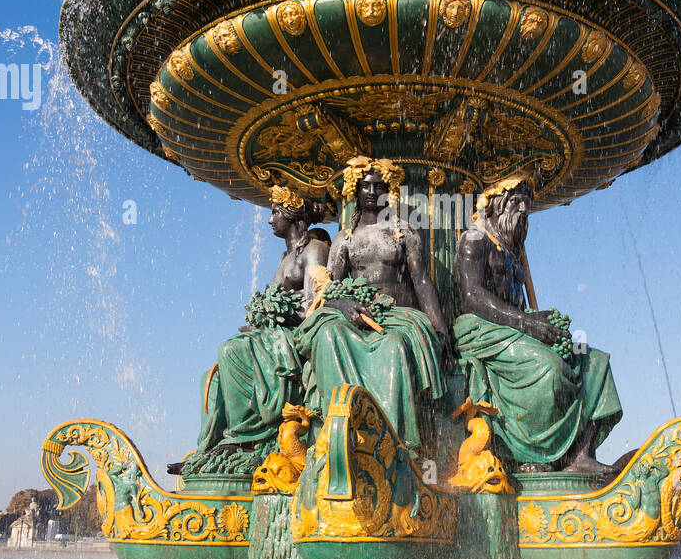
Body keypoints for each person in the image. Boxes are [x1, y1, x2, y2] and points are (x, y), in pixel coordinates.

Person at [453, 175, 622, 473]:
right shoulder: (475, 239)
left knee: (595, 362)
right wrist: (527, 324)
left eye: (527, 207)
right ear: (495, 206)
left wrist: (537, 321)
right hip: (481, 329)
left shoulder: (513, 255)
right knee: (550, 368)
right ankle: (531, 455)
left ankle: (578, 456)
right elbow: (471, 297)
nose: (522, 211)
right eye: (515, 203)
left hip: (514, 328)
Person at [295, 156, 449, 453]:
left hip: (395, 314)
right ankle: (339, 430)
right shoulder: (343, 239)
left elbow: (422, 283)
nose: (371, 191)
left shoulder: (404, 233)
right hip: (351, 314)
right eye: (365, 185)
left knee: (393, 347)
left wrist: (439, 326)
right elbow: (329, 289)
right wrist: (342, 305)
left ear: (388, 191)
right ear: (355, 189)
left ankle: (393, 441)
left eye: (379, 186)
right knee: (328, 336)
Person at [180, 186, 332, 476]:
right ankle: (217, 443)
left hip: (299, 333)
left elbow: (315, 304)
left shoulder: (314, 250)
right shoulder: (285, 257)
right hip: (277, 332)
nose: (270, 219)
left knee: (231, 349)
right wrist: (263, 319)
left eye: (275, 212)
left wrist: (276, 317)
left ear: (293, 213)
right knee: (211, 377)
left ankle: (246, 438)